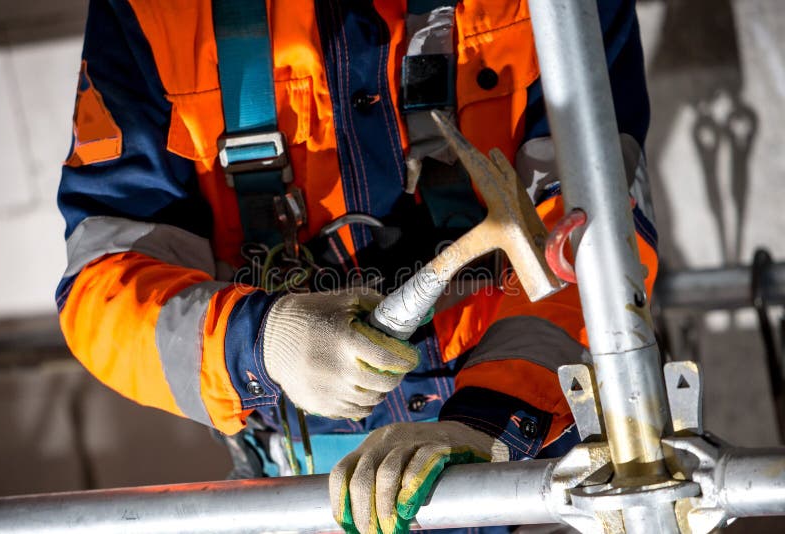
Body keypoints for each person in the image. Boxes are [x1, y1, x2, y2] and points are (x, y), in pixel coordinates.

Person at [56, 1, 657, 532]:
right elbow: (103, 280)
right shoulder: (152, 12)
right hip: (305, 493)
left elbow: (596, 239)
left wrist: (489, 419)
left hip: (533, 464)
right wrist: (260, 344)